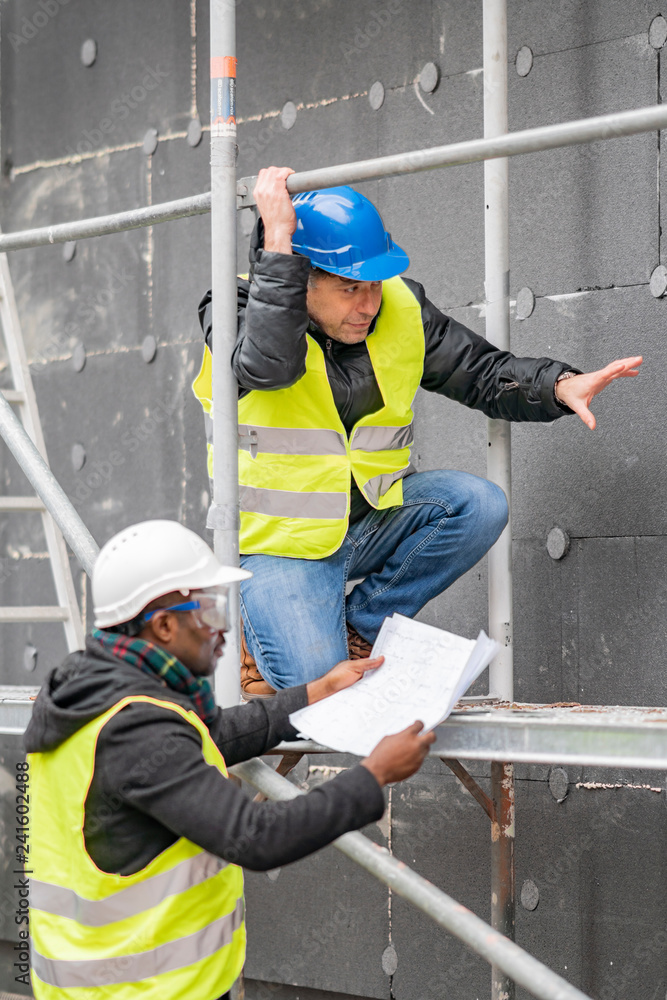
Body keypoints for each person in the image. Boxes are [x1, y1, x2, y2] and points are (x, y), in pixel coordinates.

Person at [195, 167, 642, 697]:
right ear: (300, 279)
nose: (368, 305)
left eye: (373, 287)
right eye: (348, 289)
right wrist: (277, 242)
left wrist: (558, 385)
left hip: (368, 521)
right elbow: (267, 366)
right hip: (282, 545)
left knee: (478, 504)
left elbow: (478, 370)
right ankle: (261, 643)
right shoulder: (237, 310)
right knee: (320, 689)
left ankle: (358, 628)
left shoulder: (399, 310)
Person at [25, 519, 434, 1000]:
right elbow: (256, 836)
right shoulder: (137, 729)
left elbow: (206, 736)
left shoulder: (95, 696)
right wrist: (373, 775)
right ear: (163, 625)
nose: (223, 632)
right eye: (210, 612)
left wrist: (315, 692)